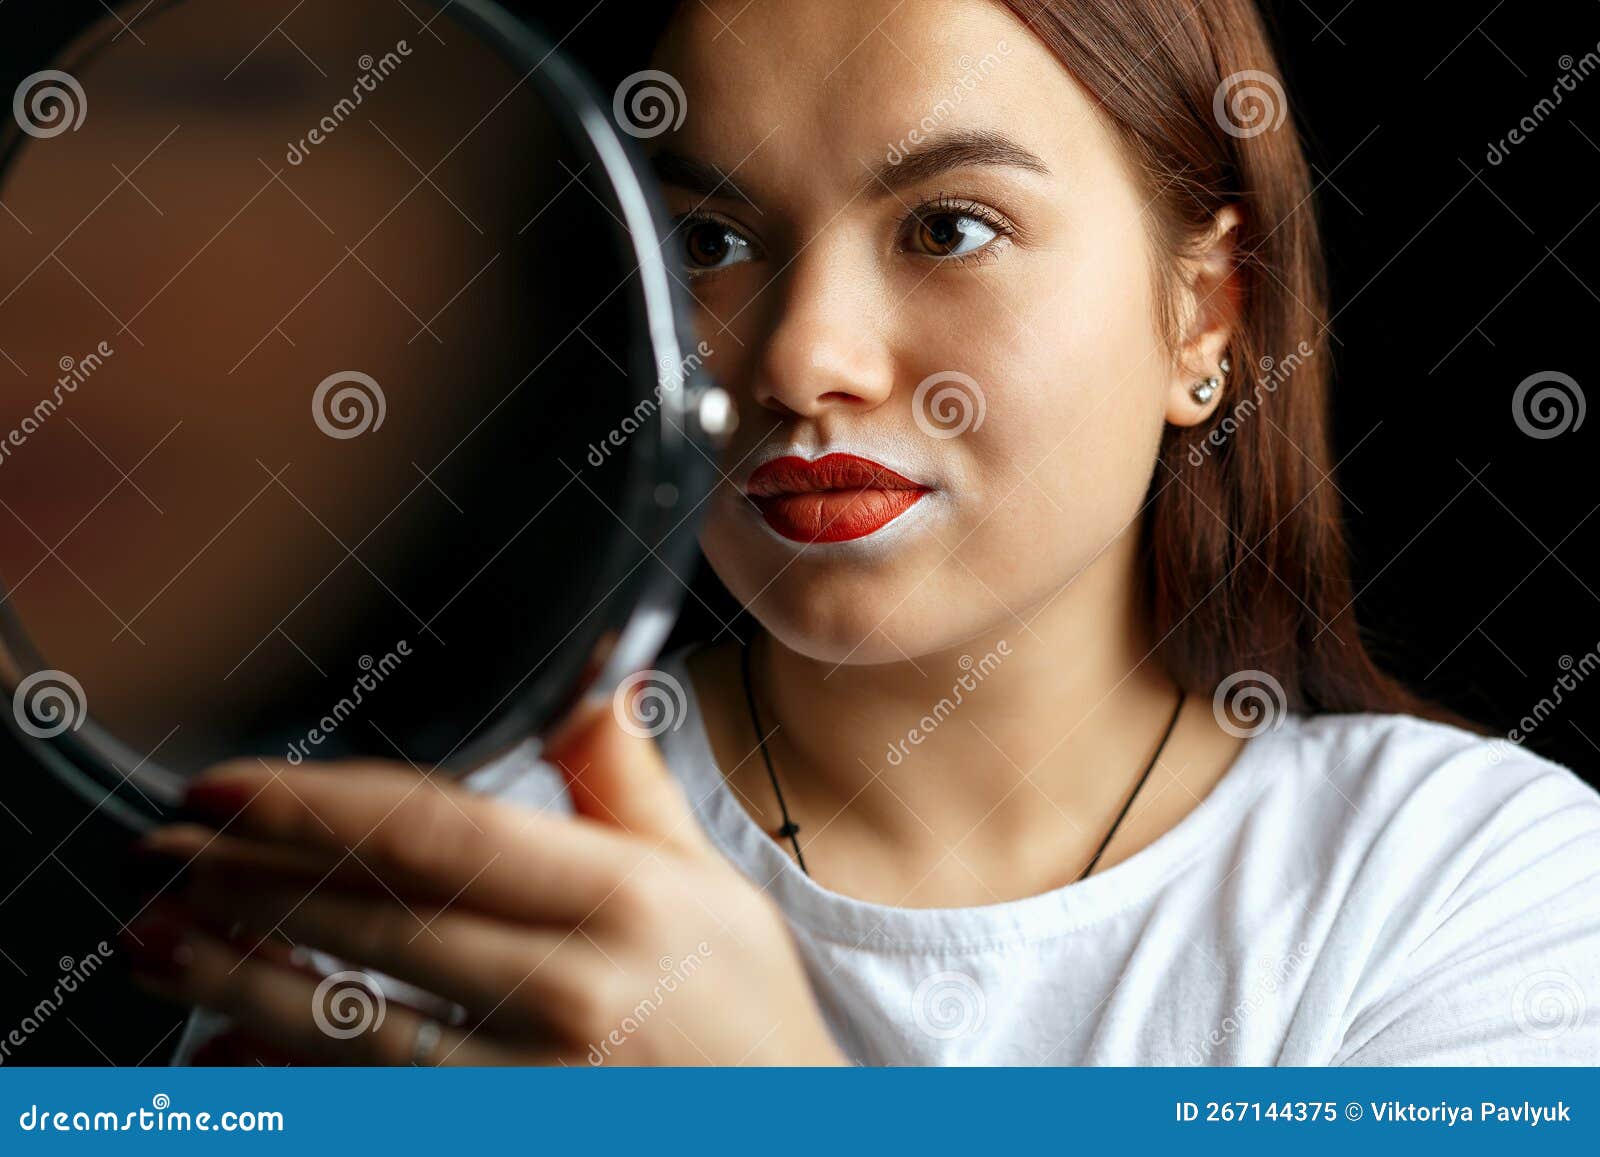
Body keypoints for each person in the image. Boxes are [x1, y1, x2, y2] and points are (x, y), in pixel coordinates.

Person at [125, 0, 1600, 1065]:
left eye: (947, 226)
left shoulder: (1469, 891)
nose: (798, 358)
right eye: (711, 238)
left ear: (1202, 313)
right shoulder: (433, 904)